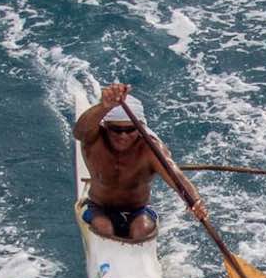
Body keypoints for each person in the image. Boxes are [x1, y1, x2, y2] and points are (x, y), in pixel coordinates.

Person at [74, 82, 206, 240]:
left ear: (141, 127)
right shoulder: (93, 139)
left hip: (138, 211)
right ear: (106, 126)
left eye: (130, 129)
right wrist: (104, 106)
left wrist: (194, 201)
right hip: (98, 207)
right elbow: (79, 132)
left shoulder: (151, 149)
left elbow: (176, 177)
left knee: (141, 230)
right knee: (104, 228)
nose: (123, 136)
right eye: (117, 129)